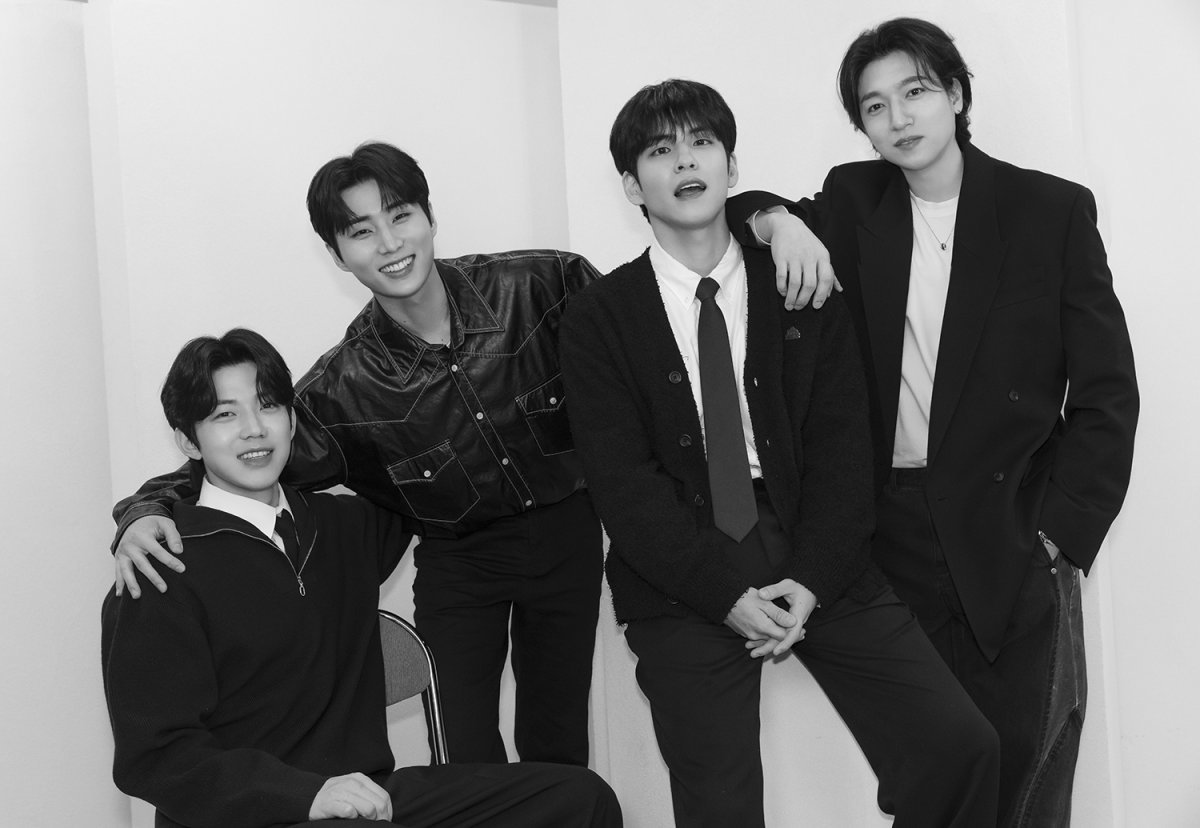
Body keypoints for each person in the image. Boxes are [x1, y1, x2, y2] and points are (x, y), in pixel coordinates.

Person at [726, 17, 1139, 826]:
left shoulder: (1047, 209)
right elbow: (739, 212)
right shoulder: (854, 201)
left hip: (1010, 526)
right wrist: (783, 225)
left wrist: (1059, 534)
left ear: (954, 94)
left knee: (1026, 769)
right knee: (932, 776)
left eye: (914, 92)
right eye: (875, 106)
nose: (898, 118)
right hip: (890, 533)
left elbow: (1107, 391)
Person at [560, 78, 1000, 828]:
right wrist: (722, 594)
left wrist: (815, 577)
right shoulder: (599, 316)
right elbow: (622, 485)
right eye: (661, 152)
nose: (685, 161)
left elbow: (843, 447)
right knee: (721, 806)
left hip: (813, 539)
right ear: (632, 186)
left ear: (732, 167)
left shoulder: (799, 277)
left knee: (959, 746)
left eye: (702, 143)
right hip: (680, 567)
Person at [109, 142, 605, 766]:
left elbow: (642, 352)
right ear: (337, 253)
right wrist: (143, 510)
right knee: (463, 752)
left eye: (400, 216)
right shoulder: (341, 390)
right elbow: (241, 452)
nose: (390, 244)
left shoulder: (544, 284)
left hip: (570, 537)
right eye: (362, 231)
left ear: (429, 215)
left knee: (560, 743)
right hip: (460, 563)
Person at [101, 328, 622, 828]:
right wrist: (304, 795)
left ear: (292, 420)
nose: (254, 429)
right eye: (224, 415)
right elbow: (155, 757)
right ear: (188, 442)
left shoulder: (346, 526)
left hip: (368, 798)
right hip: (251, 815)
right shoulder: (159, 566)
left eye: (269, 406)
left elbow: (441, 467)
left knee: (578, 799)